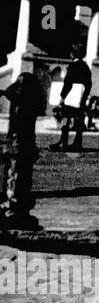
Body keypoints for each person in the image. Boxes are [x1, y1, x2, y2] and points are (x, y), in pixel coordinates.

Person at [1, 72, 45, 230]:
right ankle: (16, 210)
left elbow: (10, 92)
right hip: (22, 146)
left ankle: (13, 209)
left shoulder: (18, 100)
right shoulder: (29, 101)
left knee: (14, 178)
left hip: (16, 145)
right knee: (20, 179)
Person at [51, 48, 92, 152]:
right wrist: (84, 97)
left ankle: (63, 143)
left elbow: (67, 84)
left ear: (73, 54)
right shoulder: (86, 67)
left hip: (70, 98)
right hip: (81, 99)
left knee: (66, 120)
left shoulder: (72, 66)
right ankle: (77, 144)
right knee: (79, 121)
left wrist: (62, 97)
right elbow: (89, 84)